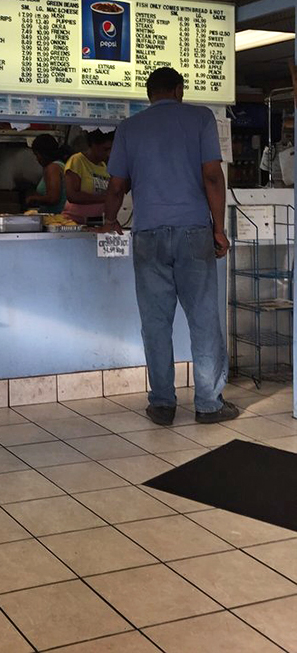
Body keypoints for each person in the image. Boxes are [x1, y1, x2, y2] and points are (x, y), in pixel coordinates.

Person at [101, 66, 238, 426]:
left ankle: (162, 404)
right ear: (179, 90)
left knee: (155, 323)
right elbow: (212, 176)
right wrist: (219, 230)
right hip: (194, 232)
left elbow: (116, 186)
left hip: (148, 236)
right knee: (204, 320)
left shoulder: (129, 128)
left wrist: (110, 220)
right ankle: (208, 404)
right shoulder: (200, 118)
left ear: (150, 94)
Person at [64, 129, 114, 223]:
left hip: (96, 222)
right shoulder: (77, 161)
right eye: (105, 149)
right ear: (93, 145)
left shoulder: (103, 166)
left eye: (111, 149)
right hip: (76, 221)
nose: (109, 153)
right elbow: (72, 196)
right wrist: (106, 198)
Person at [25, 134, 67, 214]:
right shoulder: (58, 165)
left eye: (37, 155)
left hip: (56, 217)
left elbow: (53, 198)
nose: (37, 159)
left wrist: (33, 198)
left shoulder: (53, 168)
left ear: (44, 154)